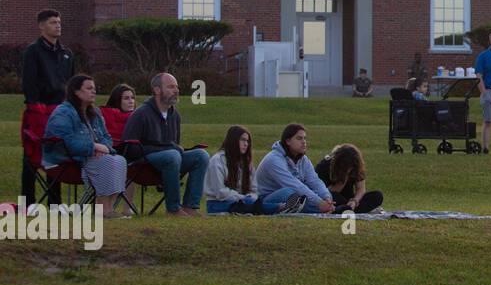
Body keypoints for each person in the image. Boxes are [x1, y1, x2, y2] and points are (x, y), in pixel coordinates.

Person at [42, 75, 131, 218]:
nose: (93, 92)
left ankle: (109, 207)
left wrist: (105, 148)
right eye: (89, 88)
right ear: (76, 92)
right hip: (67, 160)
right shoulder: (63, 112)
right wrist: (94, 147)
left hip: (93, 157)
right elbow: (67, 141)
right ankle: (103, 209)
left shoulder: (94, 113)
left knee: (120, 160)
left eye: (94, 89)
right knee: (109, 162)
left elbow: (106, 137)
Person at [122, 72, 210, 216]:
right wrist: (166, 149)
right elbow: (129, 148)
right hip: (143, 164)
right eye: (170, 87)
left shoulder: (174, 115)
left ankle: (190, 206)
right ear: (157, 90)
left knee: (201, 155)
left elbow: (174, 145)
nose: (176, 90)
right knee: (172, 155)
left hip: (170, 162)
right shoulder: (141, 114)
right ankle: (173, 209)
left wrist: (172, 149)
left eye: (177, 87)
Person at [20, 9, 74, 205]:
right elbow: (29, 83)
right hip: (38, 110)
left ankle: (54, 203)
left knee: (56, 154)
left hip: (60, 111)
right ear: (42, 26)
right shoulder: (33, 51)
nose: (58, 25)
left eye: (59, 22)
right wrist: (36, 106)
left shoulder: (66, 53)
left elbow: (71, 84)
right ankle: (27, 202)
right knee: (31, 156)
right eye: (53, 22)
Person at [204, 126, 302, 215]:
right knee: (251, 206)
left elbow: (254, 190)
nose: (246, 144)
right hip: (218, 203)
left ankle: (286, 207)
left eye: (248, 141)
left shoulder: (246, 163)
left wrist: (250, 197)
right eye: (243, 140)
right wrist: (242, 198)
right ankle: (282, 207)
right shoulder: (217, 160)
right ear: (233, 140)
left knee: (254, 203)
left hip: (243, 200)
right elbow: (220, 192)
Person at [254, 124, 334, 214]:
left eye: (304, 138)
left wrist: (326, 198)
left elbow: (315, 181)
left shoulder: (304, 160)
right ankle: (322, 210)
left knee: (312, 194)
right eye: (299, 138)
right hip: (267, 200)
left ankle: (327, 208)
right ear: (288, 141)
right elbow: (293, 184)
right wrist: (319, 202)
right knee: (291, 193)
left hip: (296, 195)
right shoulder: (274, 159)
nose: (304, 142)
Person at [315, 143, 384, 214]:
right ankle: (345, 209)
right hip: (332, 199)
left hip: (350, 200)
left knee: (377, 196)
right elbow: (324, 193)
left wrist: (354, 201)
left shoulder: (356, 167)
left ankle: (347, 209)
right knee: (335, 197)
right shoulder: (324, 166)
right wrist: (343, 177)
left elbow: (361, 189)